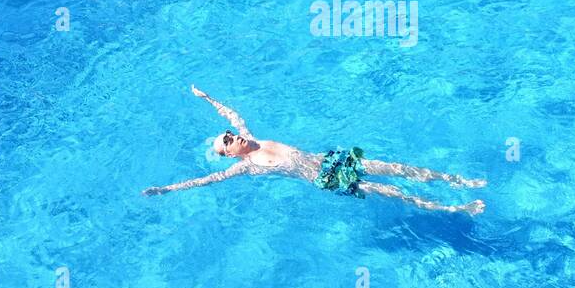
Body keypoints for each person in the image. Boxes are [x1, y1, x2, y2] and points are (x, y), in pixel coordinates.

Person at [141, 86, 486, 215]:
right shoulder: (245, 166)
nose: (232, 137)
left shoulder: (249, 135)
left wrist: (207, 98)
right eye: (227, 142)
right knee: (391, 191)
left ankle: (459, 181)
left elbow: (231, 114)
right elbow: (205, 181)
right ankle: (454, 208)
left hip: (329, 160)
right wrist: (167, 189)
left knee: (396, 168)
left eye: (229, 135)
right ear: (230, 154)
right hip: (326, 178)